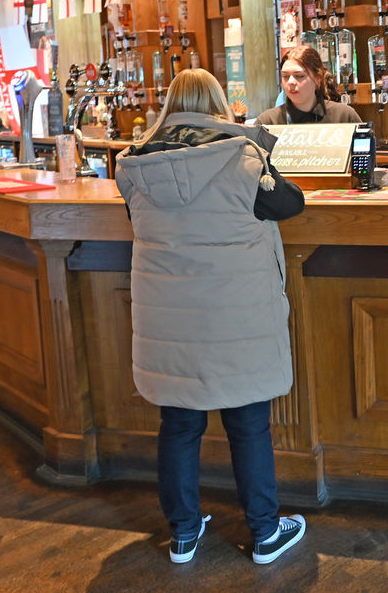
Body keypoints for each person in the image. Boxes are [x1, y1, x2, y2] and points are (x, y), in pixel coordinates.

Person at [114, 69, 308, 566]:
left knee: (178, 424)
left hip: (171, 322)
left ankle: (182, 533)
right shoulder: (241, 157)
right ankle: (265, 532)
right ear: (218, 104)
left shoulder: (134, 166)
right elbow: (290, 204)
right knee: (247, 422)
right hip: (233, 317)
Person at [256, 45, 361, 125]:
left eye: (299, 76)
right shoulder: (267, 122)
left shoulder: (344, 116)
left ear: (318, 78)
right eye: (285, 76)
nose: (291, 82)